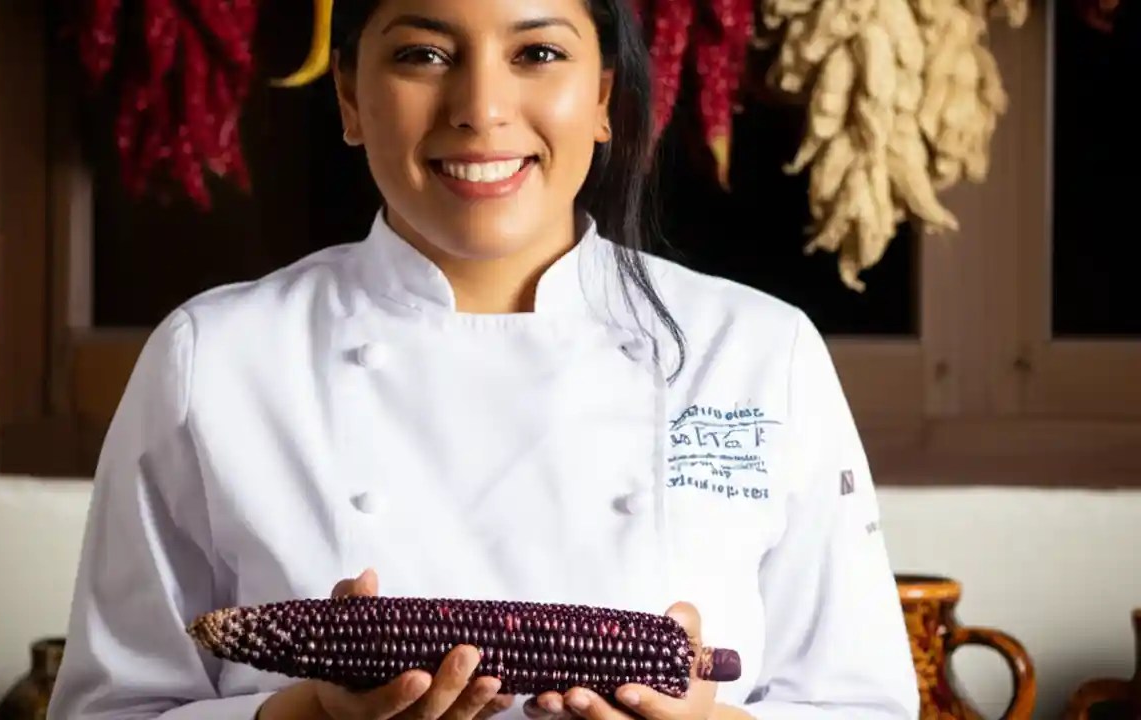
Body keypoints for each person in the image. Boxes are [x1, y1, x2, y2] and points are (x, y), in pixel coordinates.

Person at [47, 0, 921, 718]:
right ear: (349, 97)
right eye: (425, 54)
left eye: (538, 52)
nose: (481, 107)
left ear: (605, 96)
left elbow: (864, 703)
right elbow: (109, 709)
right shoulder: (215, 358)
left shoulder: (758, 352)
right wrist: (301, 716)